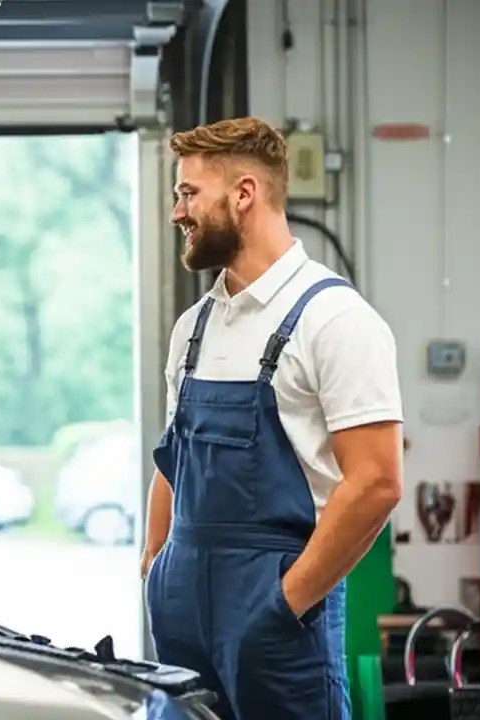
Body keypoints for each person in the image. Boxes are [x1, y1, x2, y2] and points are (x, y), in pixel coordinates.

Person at [140, 117, 404, 720]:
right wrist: (155, 569)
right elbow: (171, 461)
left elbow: (376, 483)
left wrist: (287, 605)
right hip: (183, 606)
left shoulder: (335, 319)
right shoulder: (194, 328)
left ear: (244, 194)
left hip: (276, 608)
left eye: (188, 194)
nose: (178, 212)